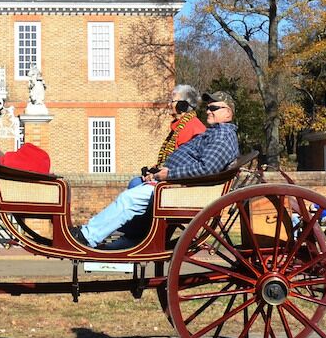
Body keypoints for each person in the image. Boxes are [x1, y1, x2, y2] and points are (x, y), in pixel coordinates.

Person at [76, 90, 239, 247]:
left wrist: (168, 174)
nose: (208, 111)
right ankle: (132, 238)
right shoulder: (214, 133)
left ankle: (87, 236)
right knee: (135, 187)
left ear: (228, 113)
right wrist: (156, 173)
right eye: (208, 107)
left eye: (213, 108)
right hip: (175, 184)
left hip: (182, 189)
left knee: (129, 199)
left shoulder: (222, 135)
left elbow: (207, 168)